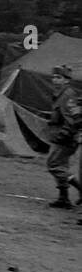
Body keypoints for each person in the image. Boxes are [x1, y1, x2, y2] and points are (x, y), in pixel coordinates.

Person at [46, 65, 82, 209]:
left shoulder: (67, 95)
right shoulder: (60, 94)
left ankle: (80, 189)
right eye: (54, 77)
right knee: (61, 166)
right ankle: (64, 198)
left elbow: (72, 119)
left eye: (59, 77)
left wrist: (64, 135)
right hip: (61, 135)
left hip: (65, 137)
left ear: (66, 80)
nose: (55, 80)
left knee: (54, 165)